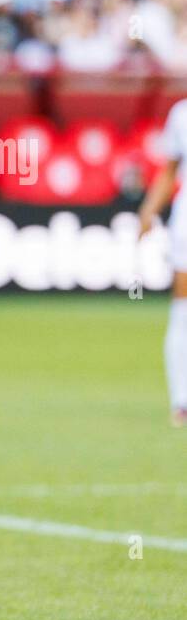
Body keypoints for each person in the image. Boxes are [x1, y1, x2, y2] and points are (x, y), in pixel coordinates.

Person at [138, 97, 187, 427]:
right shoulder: (181, 114)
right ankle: (181, 401)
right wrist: (149, 209)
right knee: (183, 309)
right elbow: (169, 171)